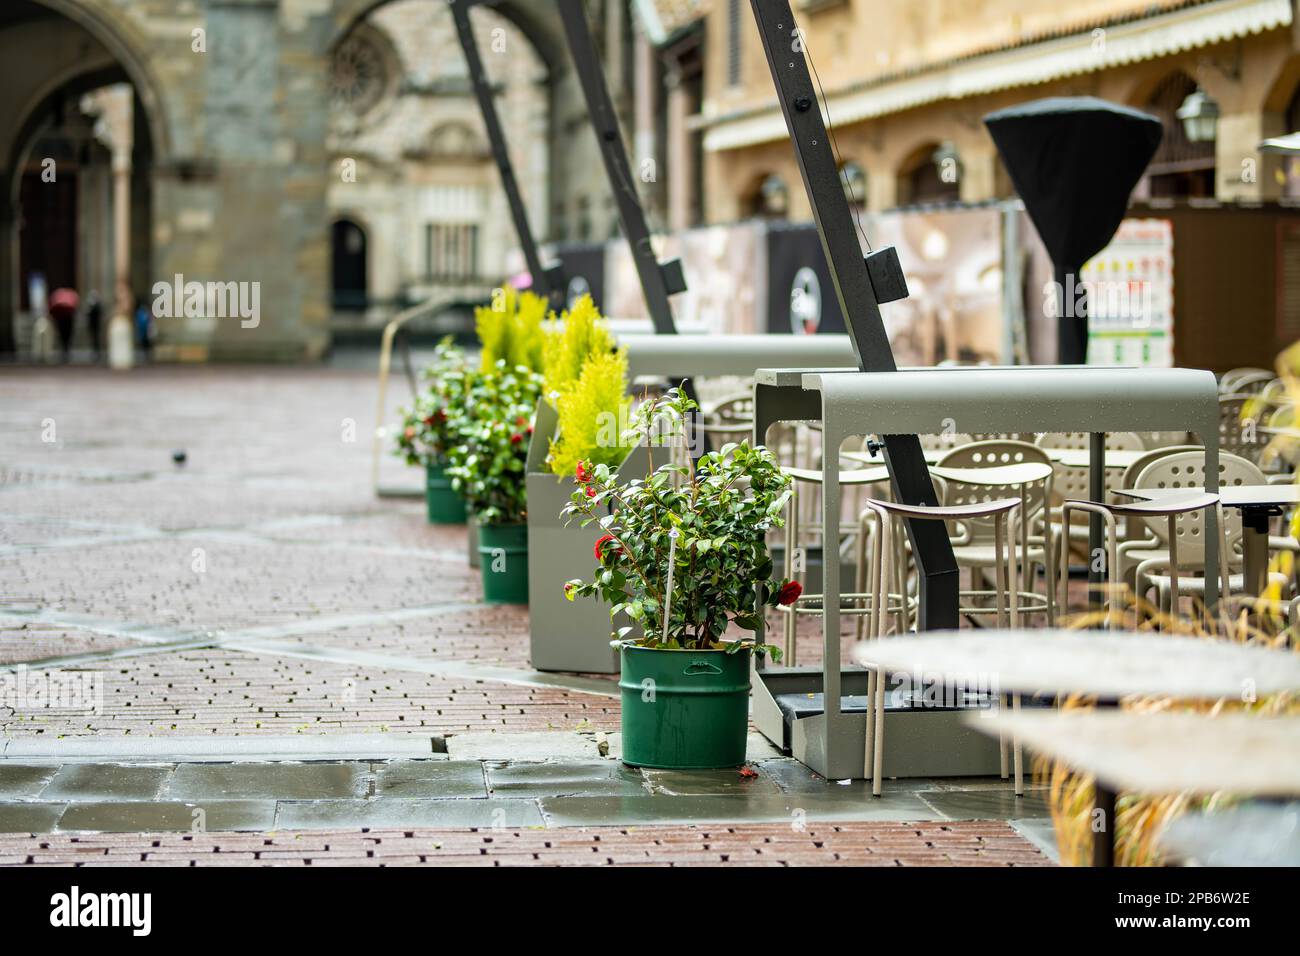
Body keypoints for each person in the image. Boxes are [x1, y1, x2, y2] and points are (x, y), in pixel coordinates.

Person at [48, 287, 79, 363]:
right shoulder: (64, 300)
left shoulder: (65, 299)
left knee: (65, 337)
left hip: (65, 321)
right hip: (64, 321)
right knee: (65, 337)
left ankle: (65, 350)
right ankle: (65, 350)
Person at [85, 292, 103, 362]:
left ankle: (97, 352)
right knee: (93, 338)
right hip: (92, 325)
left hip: (96, 325)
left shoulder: (97, 306)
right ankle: (94, 352)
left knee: (96, 339)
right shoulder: (90, 306)